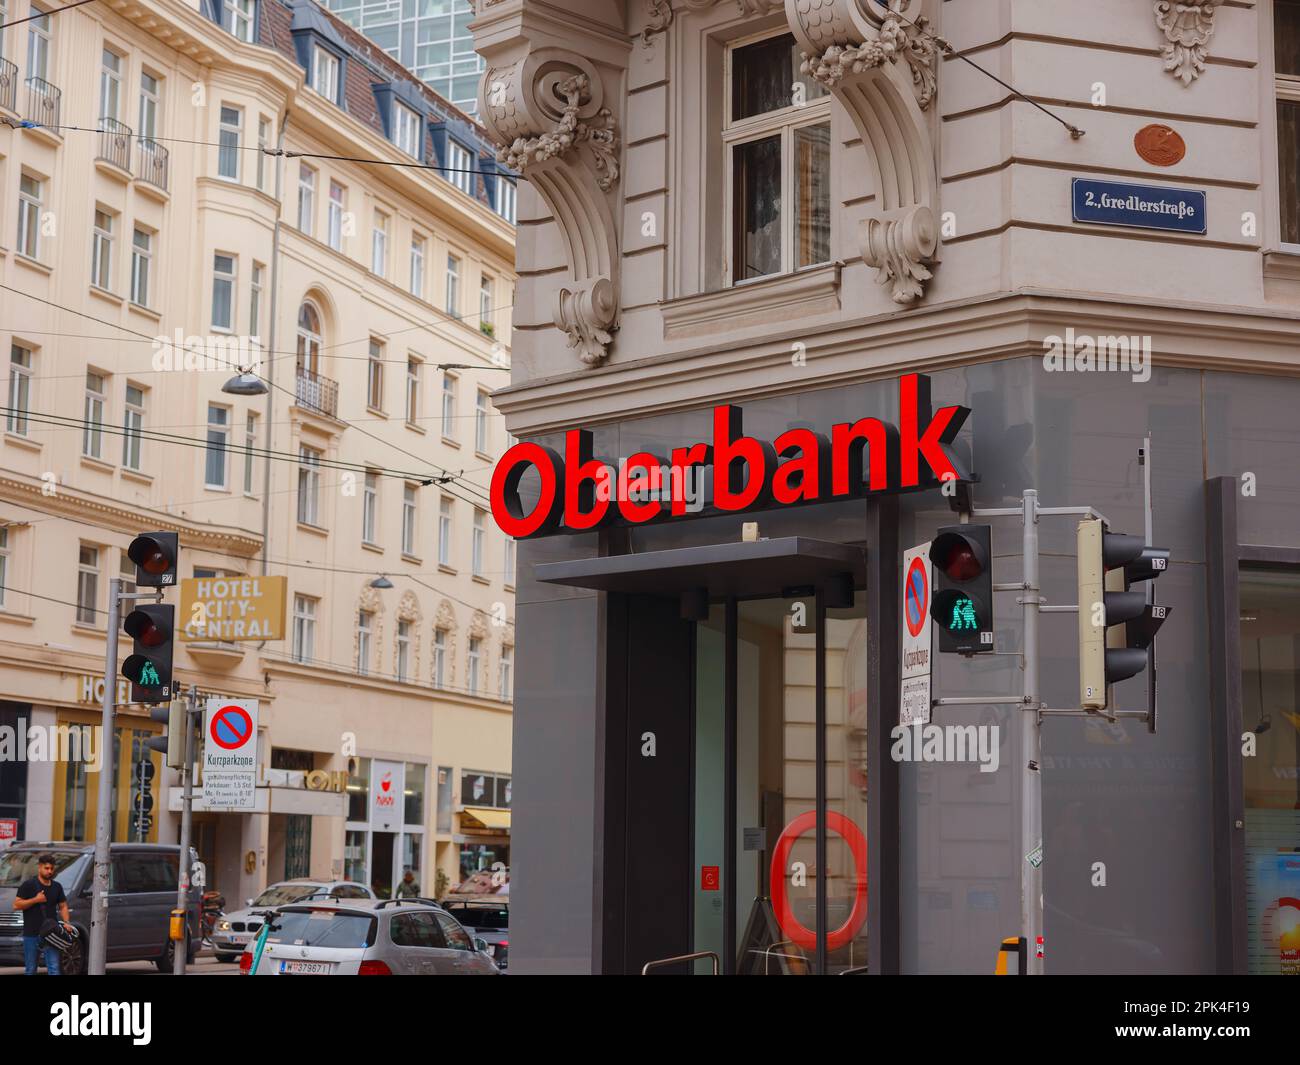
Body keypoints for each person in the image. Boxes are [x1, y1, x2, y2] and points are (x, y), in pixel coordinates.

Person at [13, 854, 74, 976]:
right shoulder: (28, 885)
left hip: (51, 934)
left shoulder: (57, 886)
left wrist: (67, 922)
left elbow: (63, 906)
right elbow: (16, 905)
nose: (49, 871)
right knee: (31, 969)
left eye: (51, 868)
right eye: (46, 868)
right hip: (31, 934)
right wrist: (35, 900)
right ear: (39, 867)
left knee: (54, 969)